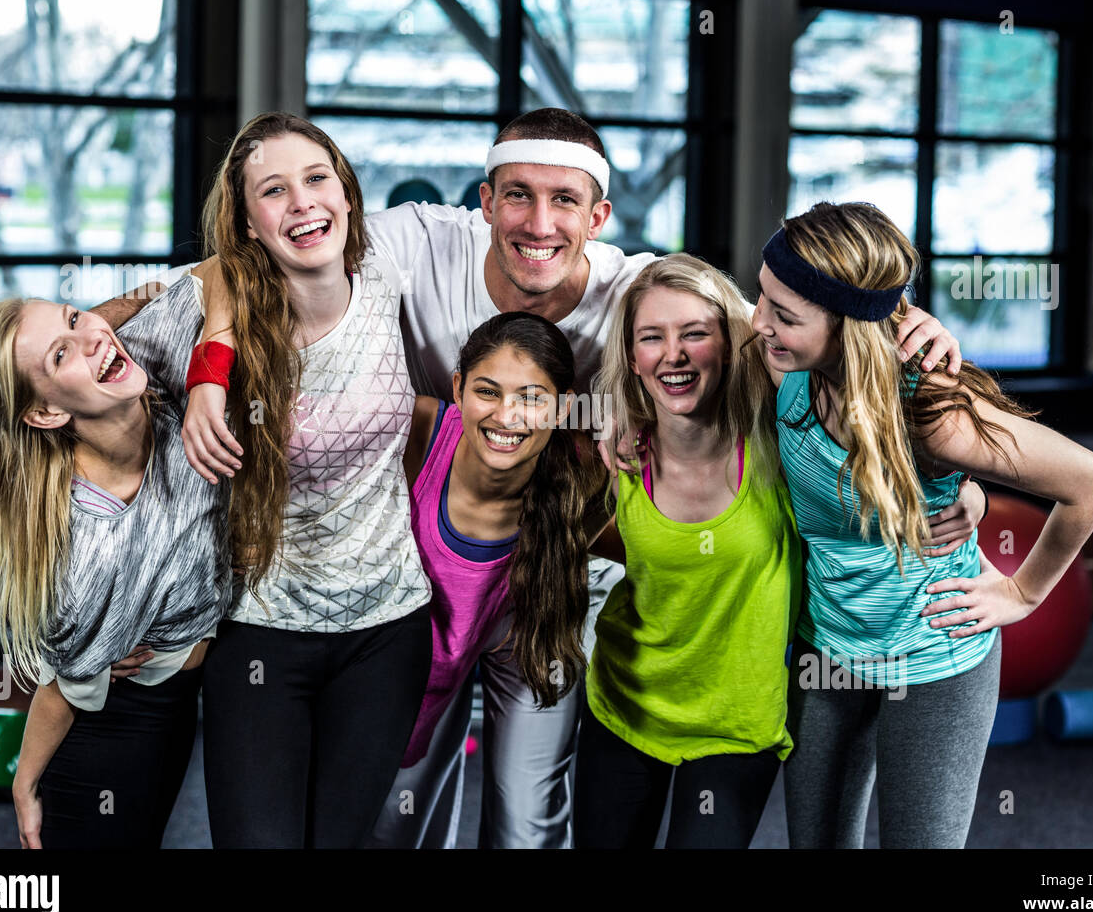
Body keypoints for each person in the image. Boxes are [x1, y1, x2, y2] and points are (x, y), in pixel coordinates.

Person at [180, 108, 975, 848]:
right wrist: (207, 370)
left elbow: (802, 323)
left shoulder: (644, 288)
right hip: (424, 579)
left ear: (599, 219)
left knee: (529, 818)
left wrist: (904, 327)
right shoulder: (413, 241)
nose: (539, 221)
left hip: (553, 578)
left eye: (565, 200)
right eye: (518, 197)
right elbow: (235, 262)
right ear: (485, 203)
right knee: (399, 806)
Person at [751, 201, 1093, 848]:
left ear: (849, 328)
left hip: (933, 654)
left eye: (783, 315)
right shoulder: (783, 365)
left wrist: (1022, 592)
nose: (758, 323)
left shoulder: (934, 411)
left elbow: (1090, 480)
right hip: (827, 646)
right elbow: (672, 307)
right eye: (761, 298)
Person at [196, 111, 433, 848]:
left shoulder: (389, 275)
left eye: (316, 178)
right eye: (274, 190)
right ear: (246, 226)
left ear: (348, 194)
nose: (301, 202)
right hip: (263, 630)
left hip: (388, 629)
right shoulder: (210, 309)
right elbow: (75, 345)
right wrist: (208, 370)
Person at [0, 271, 225, 848]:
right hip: (110, 729)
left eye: (75, 316)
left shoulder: (144, 364)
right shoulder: (87, 550)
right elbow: (65, 690)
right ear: (48, 413)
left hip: (180, 705)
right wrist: (24, 782)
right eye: (61, 355)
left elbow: (225, 270)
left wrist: (206, 381)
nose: (94, 340)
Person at [576, 253, 798, 848]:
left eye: (695, 334)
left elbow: (880, 393)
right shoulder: (615, 458)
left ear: (730, 341)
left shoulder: (783, 442)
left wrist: (972, 498)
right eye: (653, 337)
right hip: (626, 707)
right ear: (632, 357)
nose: (673, 355)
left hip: (735, 724)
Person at [369, 312, 611, 847]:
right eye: (487, 391)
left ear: (565, 407)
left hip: (525, 625)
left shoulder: (586, 472)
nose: (507, 415)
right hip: (424, 636)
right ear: (457, 389)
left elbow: (662, 539)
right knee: (390, 817)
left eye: (531, 397)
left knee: (526, 820)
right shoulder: (414, 433)